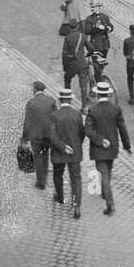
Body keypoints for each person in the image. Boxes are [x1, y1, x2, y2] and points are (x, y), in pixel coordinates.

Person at [84, 80, 132, 215]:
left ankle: (109, 203)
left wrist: (100, 140)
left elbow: (88, 130)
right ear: (109, 95)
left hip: (99, 148)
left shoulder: (92, 111)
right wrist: (127, 146)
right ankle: (105, 193)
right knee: (108, 169)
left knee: (103, 173)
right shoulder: (116, 109)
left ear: (98, 95)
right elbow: (122, 128)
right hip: (112, 147)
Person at [49, 88, 86, 218]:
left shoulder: (54, 115)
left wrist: (63, 147)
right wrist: (75, 146)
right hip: (74, 152)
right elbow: (82, 133)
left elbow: (52, 136)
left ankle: (60, 197)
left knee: (58, 175)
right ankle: (76, 206)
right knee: (76, 179)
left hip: (59, 153)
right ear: (70, 100)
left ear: (60, 100)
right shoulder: (77, 114)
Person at [20, 80, 56, 190]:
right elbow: (56, 118)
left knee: (37, 157)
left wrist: (24, 138)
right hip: (48, 135)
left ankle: (40, 181)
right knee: (45, 155)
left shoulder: (31, 103)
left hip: (36, 136)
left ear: (35, 89)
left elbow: (27, 122)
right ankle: (44, 177)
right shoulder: (51, 101)